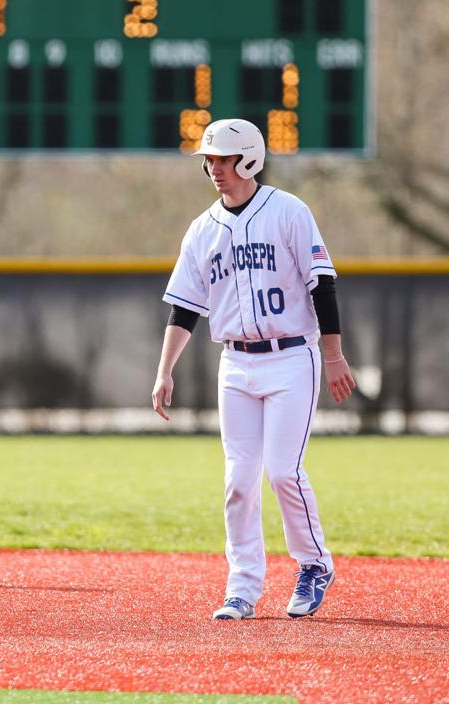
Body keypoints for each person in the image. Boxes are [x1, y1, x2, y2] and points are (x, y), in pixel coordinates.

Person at [151, 118, 356, 620]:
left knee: (283, 471)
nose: (214, 168)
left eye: (223, 158)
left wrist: (333, 356)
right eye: (209, 160)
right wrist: (164, 370)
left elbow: (322, 284)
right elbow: (184, 308)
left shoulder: (288, 211)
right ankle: (242, 587)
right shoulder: (202, 229)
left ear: (249, 159)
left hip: (292, 357)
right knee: (238, 481)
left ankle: (314, 565)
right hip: (236, 363)